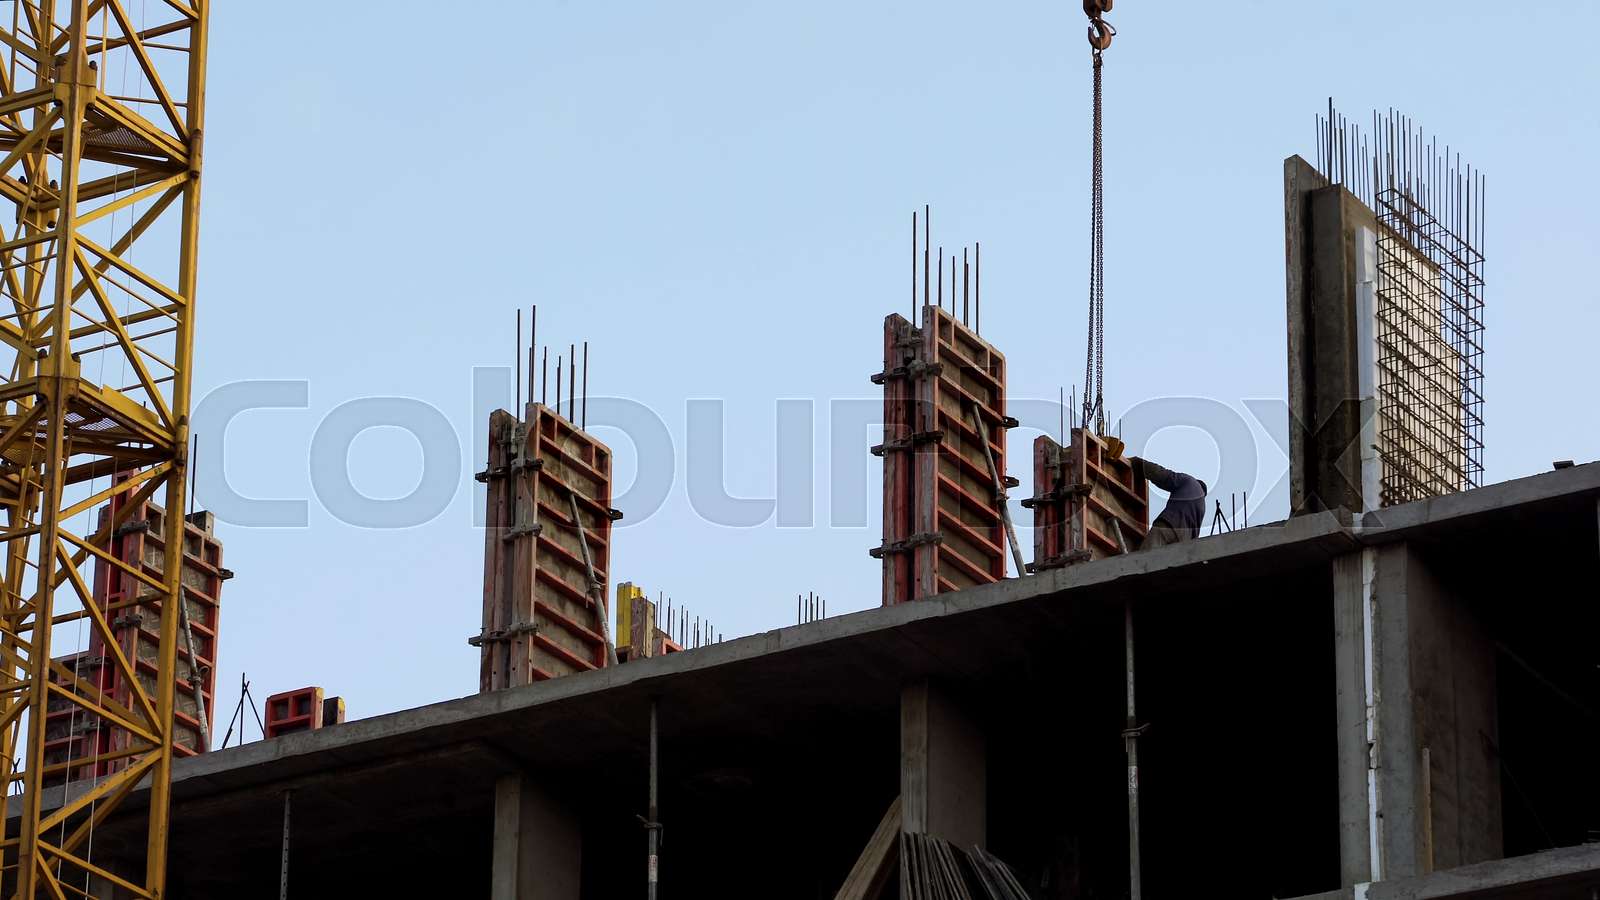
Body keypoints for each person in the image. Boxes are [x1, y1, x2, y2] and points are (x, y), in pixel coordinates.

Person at [1131, 457, 1207, 550]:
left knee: (1145, 558)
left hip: (1169, 526)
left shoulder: (1190, 481)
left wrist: (1138, 463)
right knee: (1162, 564)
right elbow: (1196, 535)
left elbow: (1163, 476)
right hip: (1184, 542)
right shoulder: (1202, 506)